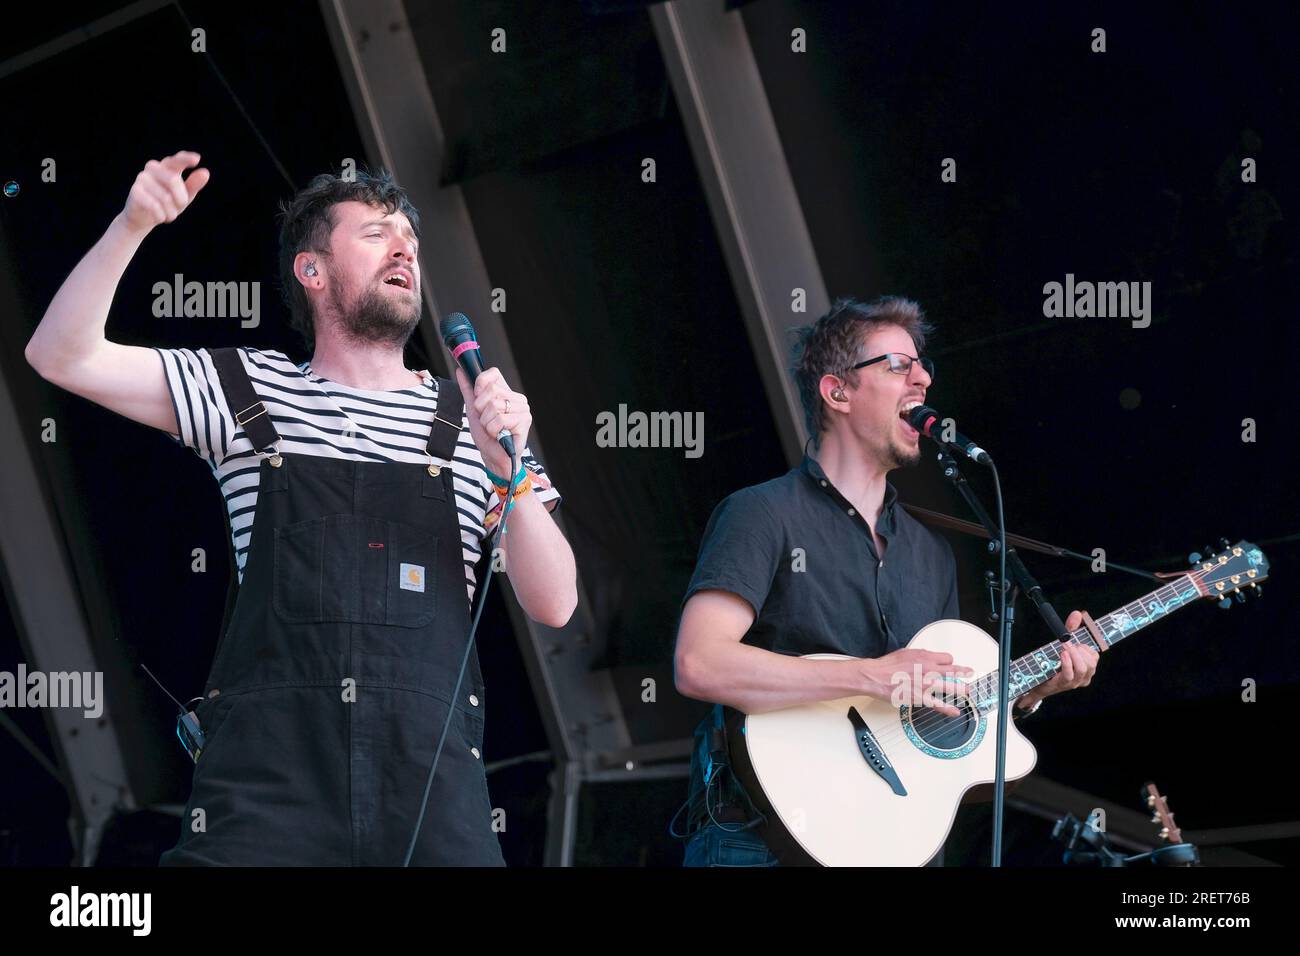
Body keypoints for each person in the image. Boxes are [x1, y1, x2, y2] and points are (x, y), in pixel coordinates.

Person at [24, 151, 578, 865]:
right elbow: (59, 356)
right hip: (267, 792)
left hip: (431, 796)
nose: (404, 245)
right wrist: (132, 227)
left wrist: (511, 474)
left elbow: (557, 602)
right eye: (376, 233)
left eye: (409, 236)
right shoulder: (246, 390)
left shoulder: (469, 417)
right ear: (311, 271)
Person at [672, 296, 1098, 866]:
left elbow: (928, 714)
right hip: (758, 840)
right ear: (837, 392)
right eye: (898, 366)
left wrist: (1031, 690)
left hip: (887, 839)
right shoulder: (762, 514)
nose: (923, 377)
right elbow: (699, 664)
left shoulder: (931, 554)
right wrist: (872, 676)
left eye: (920, 365)